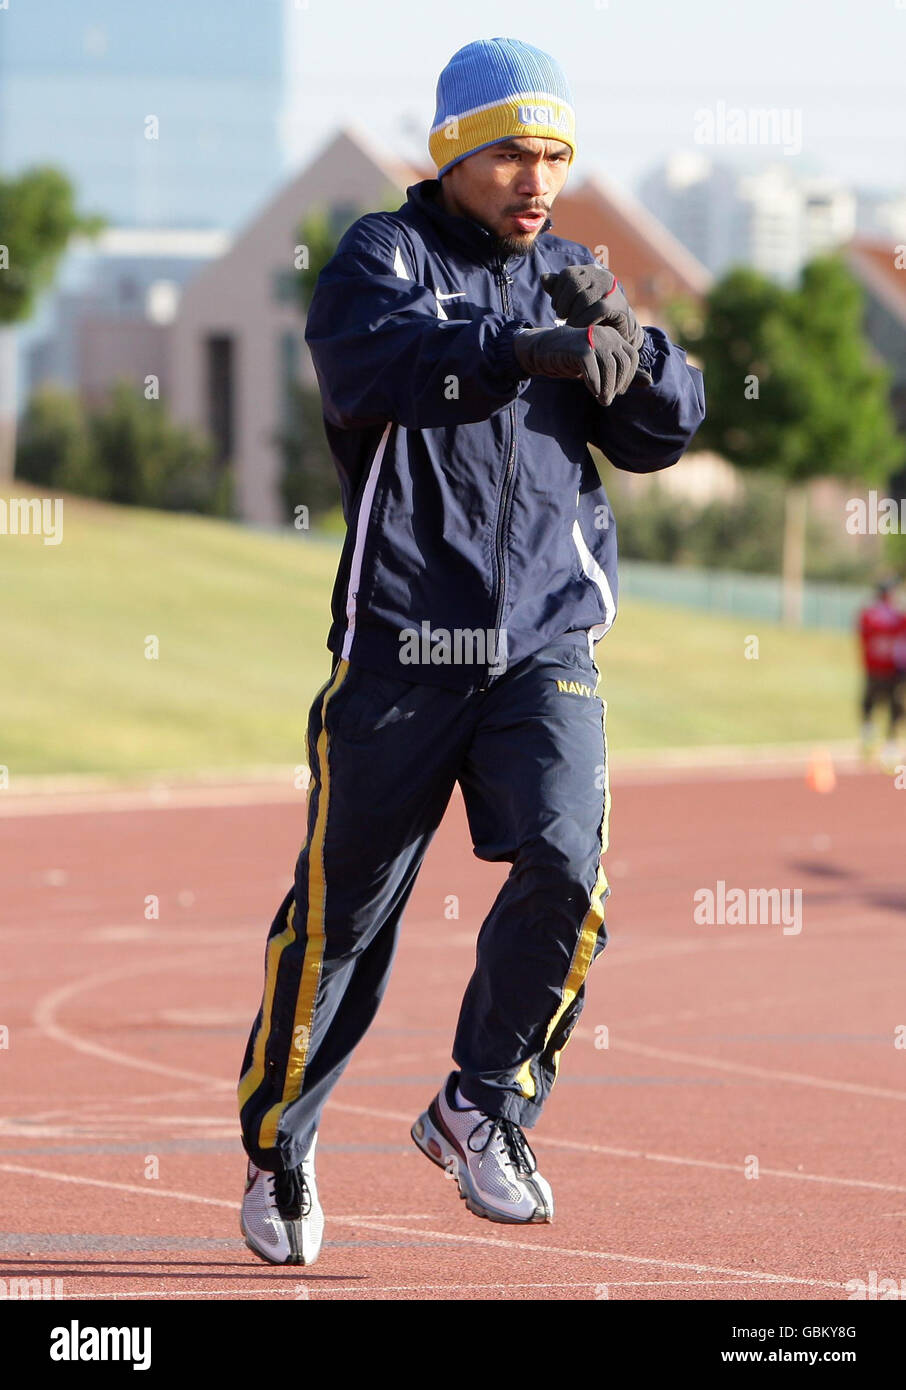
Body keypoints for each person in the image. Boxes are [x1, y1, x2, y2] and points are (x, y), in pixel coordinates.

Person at [238, 36, 705, 1266]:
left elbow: (667, 429)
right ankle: (281, 1145)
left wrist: (633, 346)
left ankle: (483, 1103)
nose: (535, 176)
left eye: (552, 152)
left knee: (571, 867)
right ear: (453, 153)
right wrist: (516, 353)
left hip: (544, 642)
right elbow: (370, 363)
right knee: (343, 920)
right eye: (509, 151)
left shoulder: (571, 271)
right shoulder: (377, 259)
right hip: (399, 648)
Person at [858, 577, 905, 767]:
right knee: (892, 708)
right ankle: (889, 744)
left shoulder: (868, 615)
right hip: (890, 669)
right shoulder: (898, 616)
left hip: (877, 669)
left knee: (873, 704)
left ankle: (873, 736)